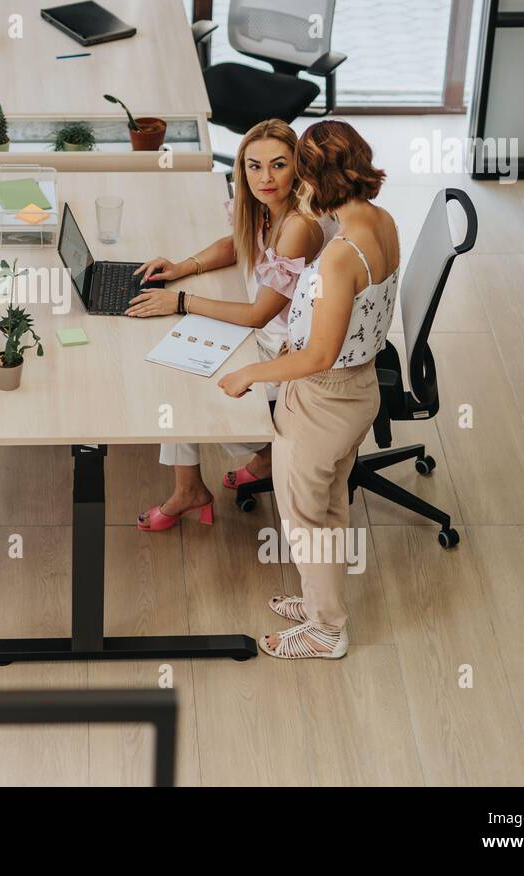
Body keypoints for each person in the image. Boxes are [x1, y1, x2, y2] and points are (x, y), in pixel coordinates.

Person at [219, 121, 399, 660]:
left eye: (299, 171)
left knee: (303, 518)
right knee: (330, 506)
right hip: (359, 389)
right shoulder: (381, 221)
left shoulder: (342, 254)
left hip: (323, 397)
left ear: (319, 178)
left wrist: (251, 374)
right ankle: (321, 602)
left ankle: (326, 630)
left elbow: (319, 354)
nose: (293, 182)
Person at [126, 119, 335, 532]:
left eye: (278, 165)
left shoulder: (299, 225)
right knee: (176, 361)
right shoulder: (268, 206)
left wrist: (181, 301)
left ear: (297, 166)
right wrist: (183, 266)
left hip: (288, 353)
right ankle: (197, 485)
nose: (265, 178)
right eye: (254, 167)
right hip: (266, 335)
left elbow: (259, 314)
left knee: (190, 389)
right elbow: (240, 242)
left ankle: (262, 456)